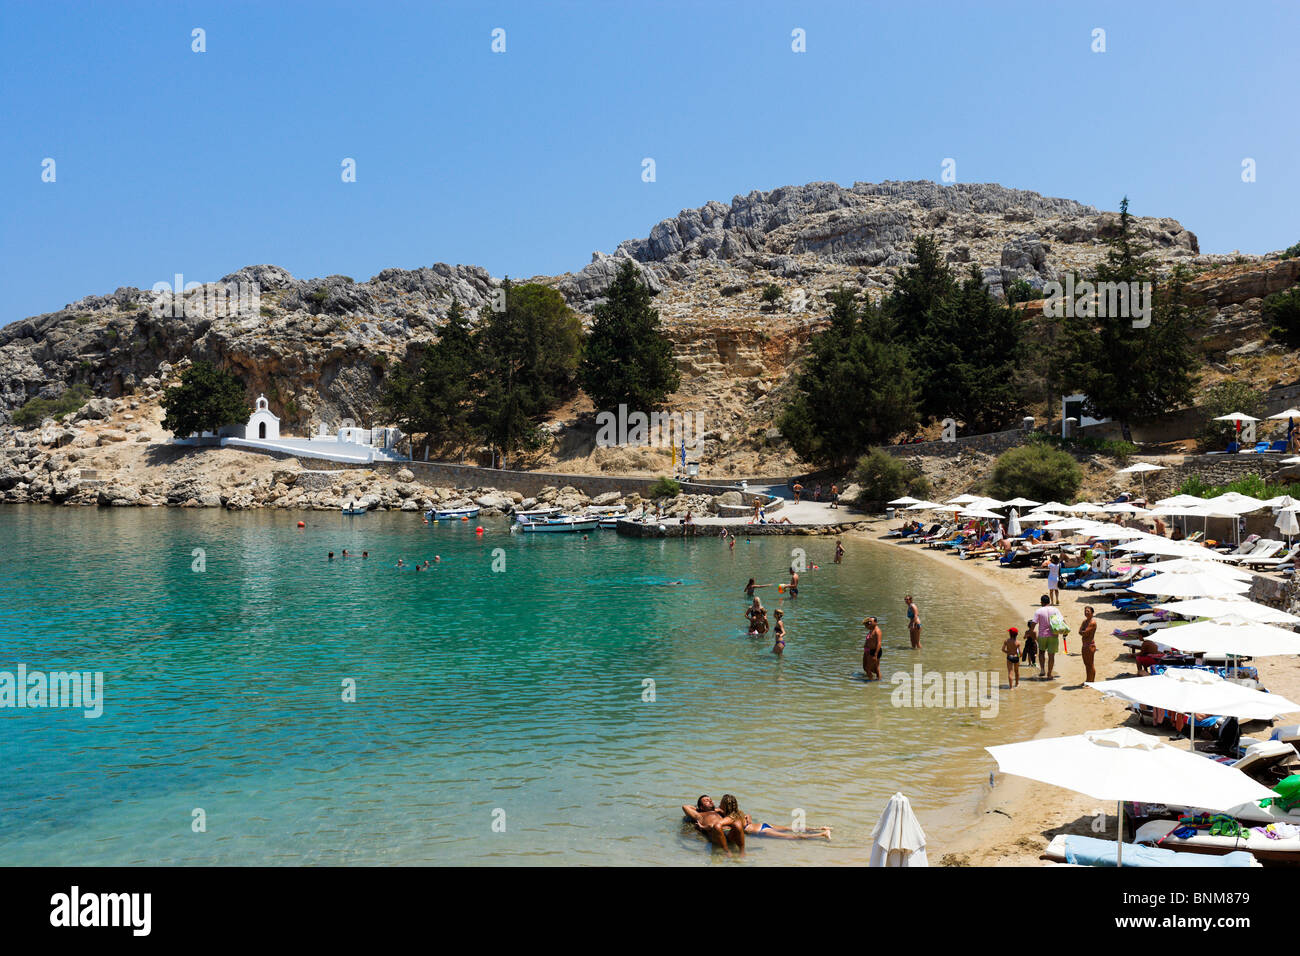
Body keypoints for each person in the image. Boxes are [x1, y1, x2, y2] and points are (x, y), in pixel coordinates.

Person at [717, 795, 831, 840]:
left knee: (791, 837)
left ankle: (822, 834)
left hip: (760, 831)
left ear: (724, 805)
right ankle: (821, 828)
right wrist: (748, 822)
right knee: (790, 828)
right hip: (762, 825)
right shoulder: (739, 812)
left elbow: (723, 827)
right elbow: (748, 816)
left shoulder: (730, 818)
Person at [1033, 594, 1060, 679]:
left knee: (1041, 652)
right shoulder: (1055, 610)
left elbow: (1034, 623)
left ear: (1041, 602)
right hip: (1054, 635)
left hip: (1042, 635)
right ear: (1049, 602)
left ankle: (1042, 670)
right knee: (1051, 655)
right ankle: (1049, 673)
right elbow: (1062, 621)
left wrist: (1030, 631)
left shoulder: (1039, 611)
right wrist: (1066, 631)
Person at [1079, 605, 1098, 683]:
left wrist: (1083, 632)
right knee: (1086, 664)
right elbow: (1080, 631)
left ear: (1092, 613)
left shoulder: (1092, 622)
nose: (1086, 613)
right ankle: (1088, 680)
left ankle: (1092, 681)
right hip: (1084, 645)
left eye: (1088, 611)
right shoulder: (1084, 621)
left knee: (1090, 664)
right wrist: (1083, 632)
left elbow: (1084, 633)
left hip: (1090, 645)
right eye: (1085, 611)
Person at [862, 616, 883, 680]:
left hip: (874, 651)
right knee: (865, 667)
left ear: (876, 622)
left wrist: (875, 654)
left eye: (871, 622)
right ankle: (874, 679)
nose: (869, 623)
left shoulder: (877, 631)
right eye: (869, 622)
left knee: (870, 668)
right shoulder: (871, 630)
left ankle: (871, 682)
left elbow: (879, 643)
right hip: (868, 650)